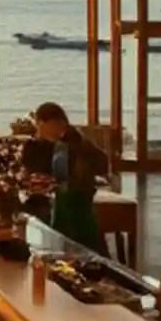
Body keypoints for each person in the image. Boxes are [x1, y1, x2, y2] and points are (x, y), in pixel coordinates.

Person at [34, 102, 109, 253]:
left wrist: (55, 185)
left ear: (52, 122)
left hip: (76, 206)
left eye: (40, 126)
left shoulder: (74, 143)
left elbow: (79, 177)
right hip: (68, 201)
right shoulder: (64, 142)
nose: (39, 132)